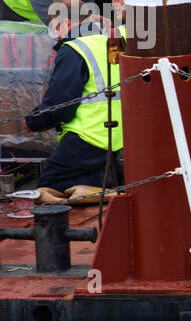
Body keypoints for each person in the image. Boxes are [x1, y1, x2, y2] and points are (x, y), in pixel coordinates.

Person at [25, 17, 124, 191]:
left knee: (47, 191)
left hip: (88, 138)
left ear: (68, 22)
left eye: (56, 26)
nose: (55, 35)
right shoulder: (119, 38)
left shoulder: (76, 48)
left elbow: (60, 105)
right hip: (124, 140)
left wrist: (33, 121)